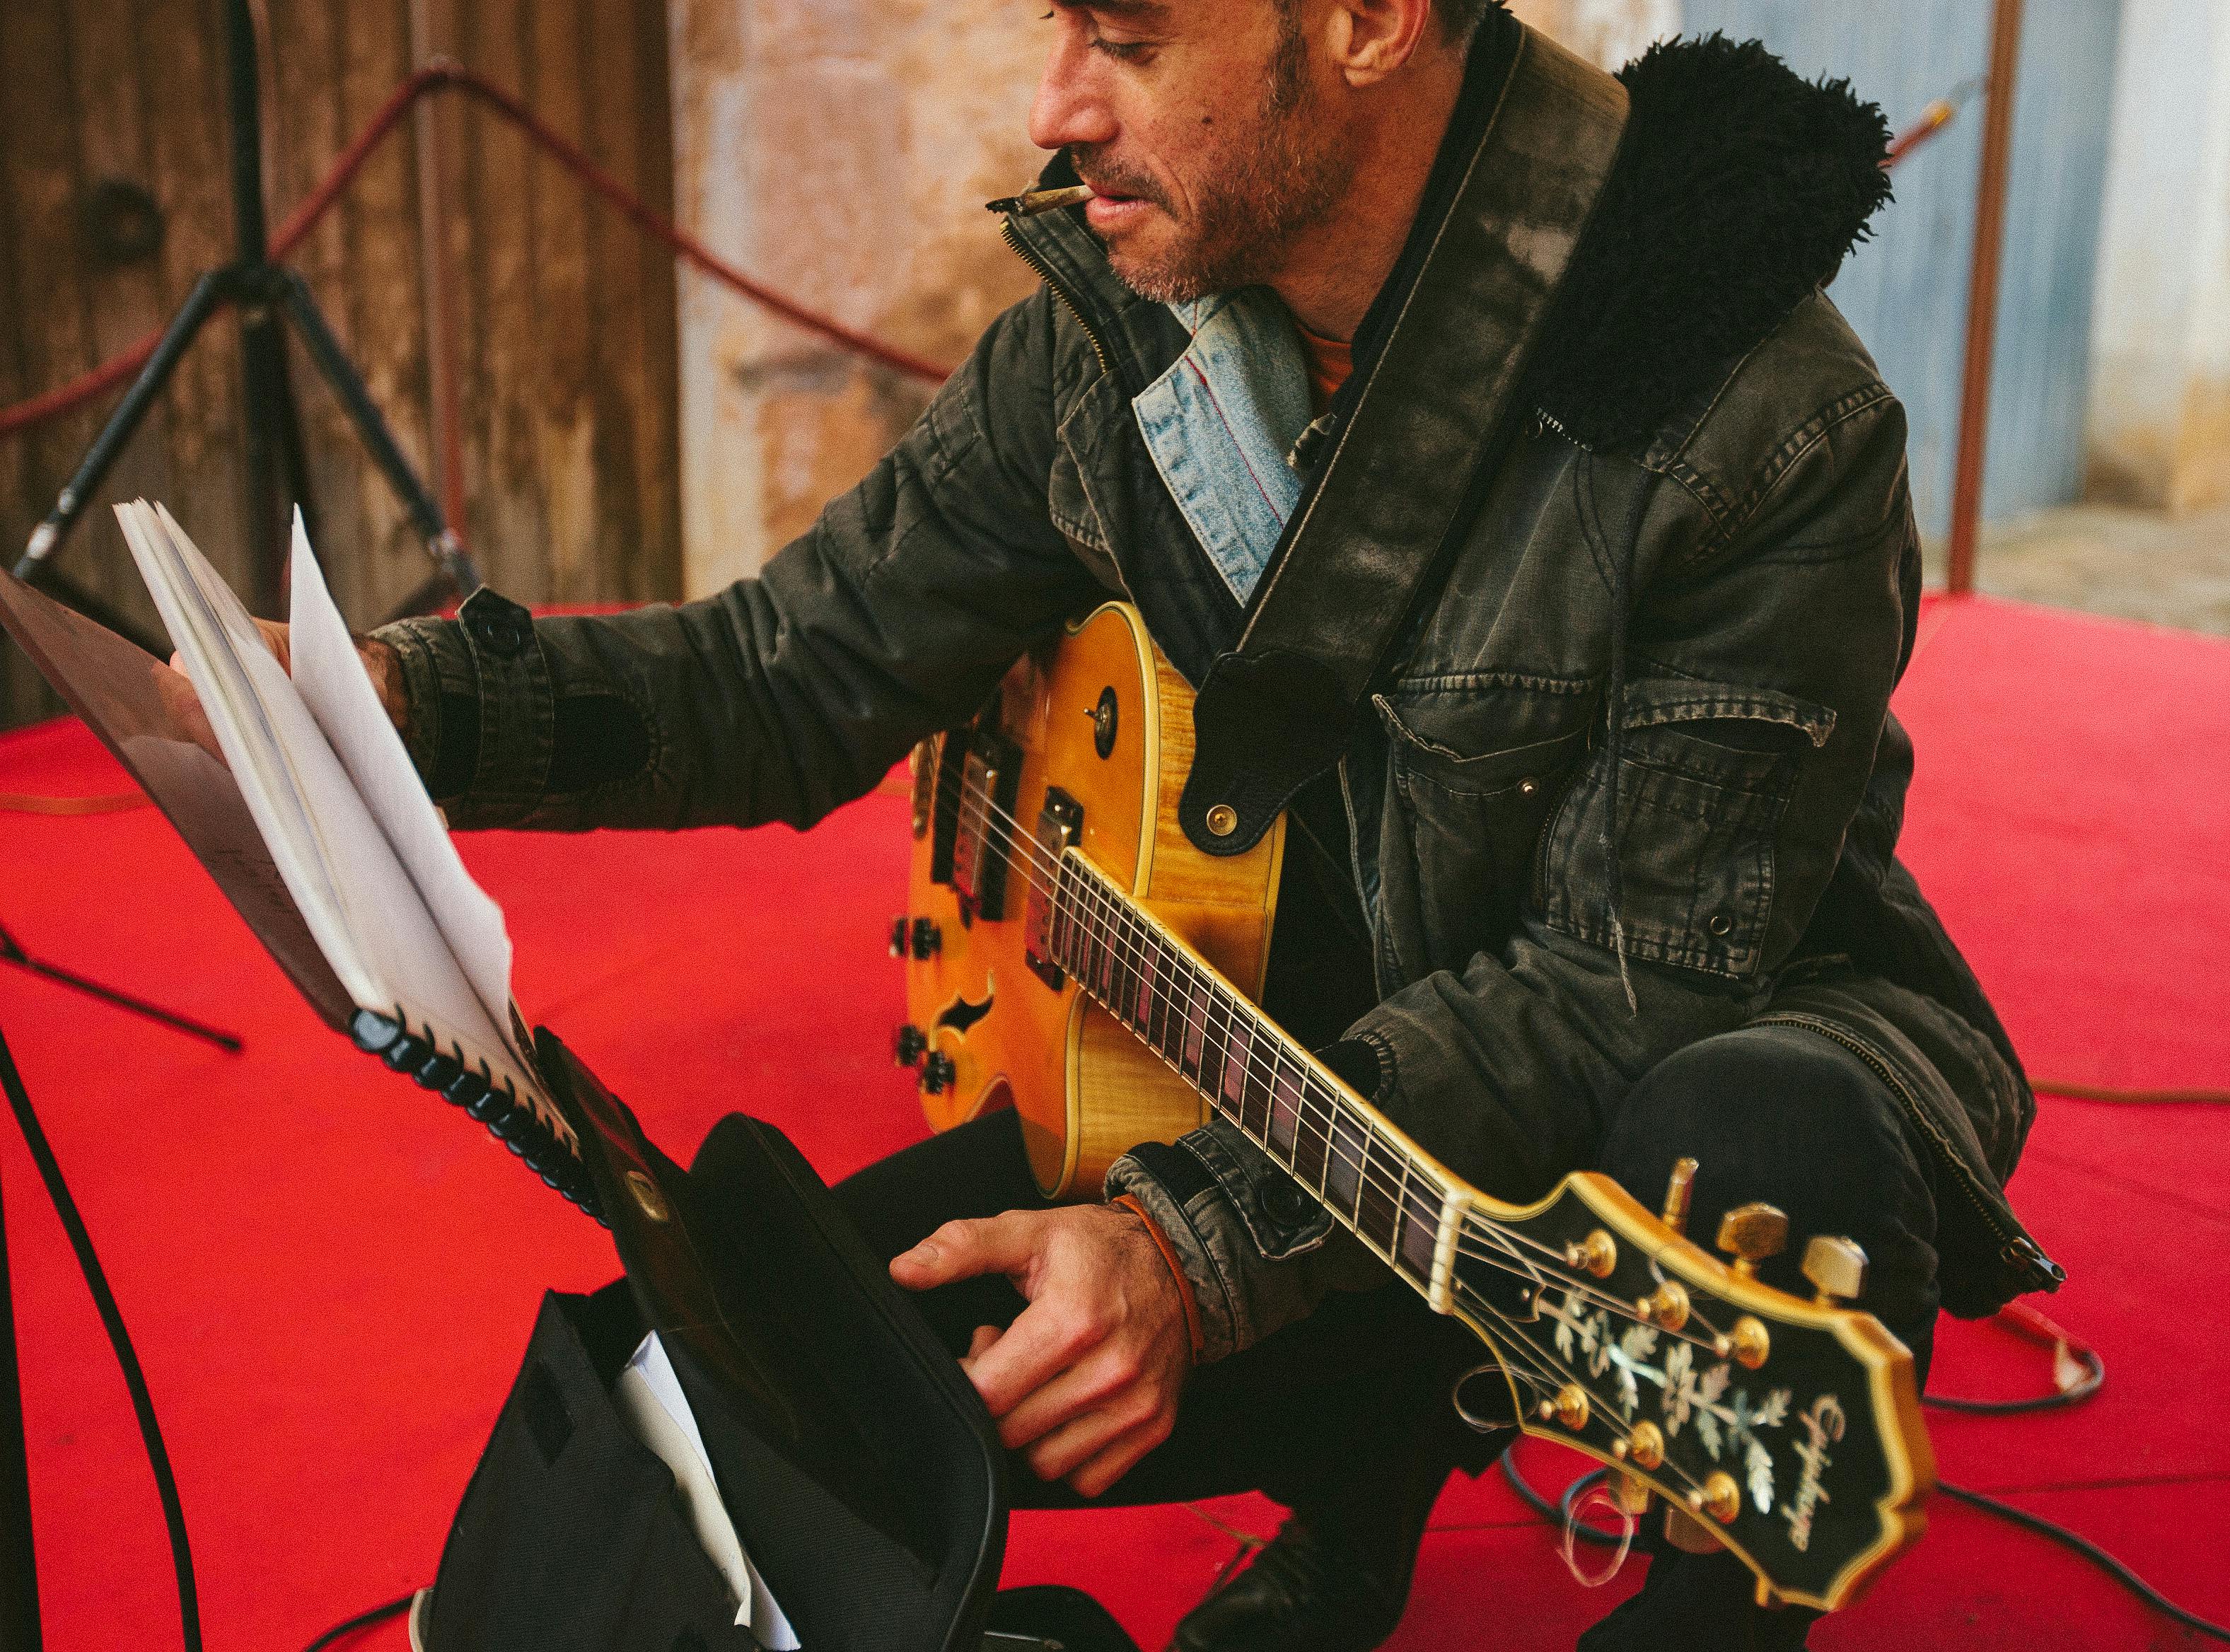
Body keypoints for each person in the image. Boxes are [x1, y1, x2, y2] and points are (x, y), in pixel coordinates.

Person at [214, 3, 2060, 1646]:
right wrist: (408, 706)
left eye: (1129, 35)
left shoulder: (1751, 408)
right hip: (1247, 1099)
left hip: (1630, 1124)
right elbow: (781, 677)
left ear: (1363, 22)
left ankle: (1692, 1602)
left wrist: (1189, 1252)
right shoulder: (1115, 342)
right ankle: (1370, 1454)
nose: (1056, 103)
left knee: (1760, 1125)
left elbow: (1611, 993)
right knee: (710, 1405)